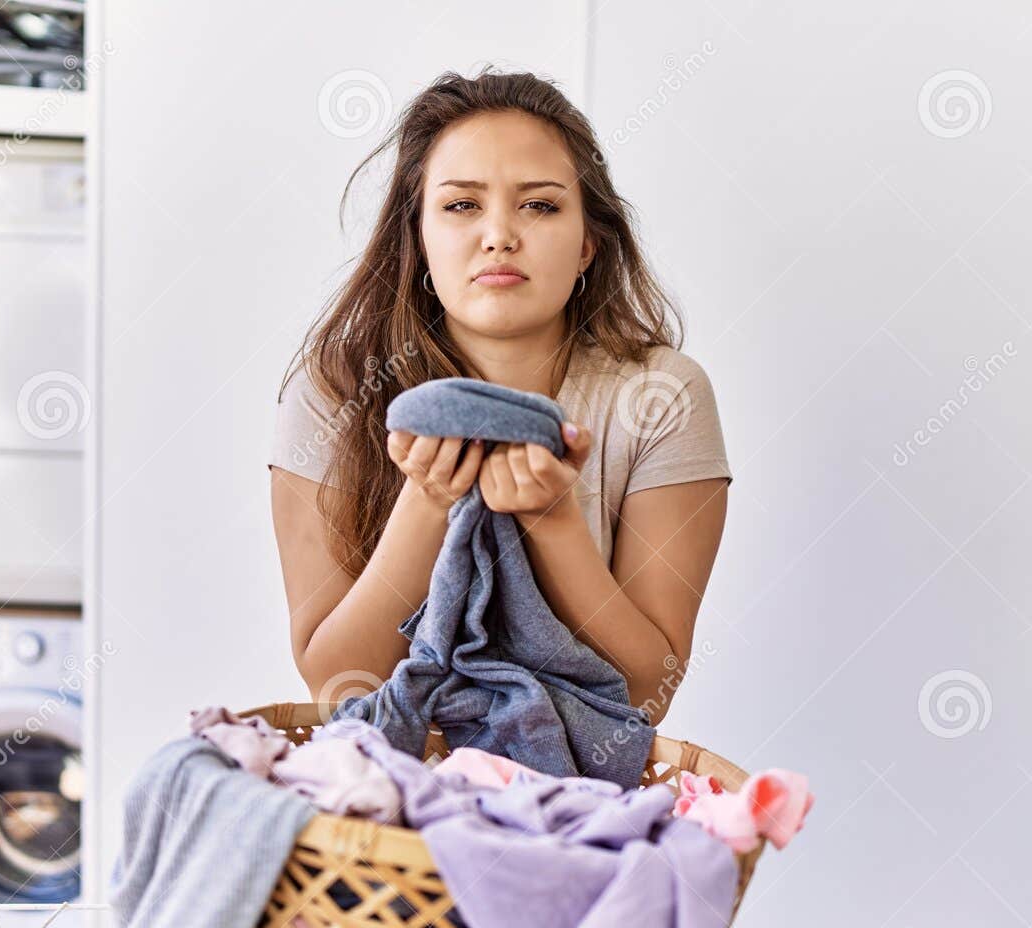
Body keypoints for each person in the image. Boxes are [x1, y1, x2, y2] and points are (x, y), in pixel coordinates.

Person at [267, 67, 734, 727]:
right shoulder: (335, 391)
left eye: (540, 204)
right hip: (384, 792)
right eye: (461, 205)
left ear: (587, 245)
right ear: (418, 236)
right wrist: (429, 502)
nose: (499, 235)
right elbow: (342, 680)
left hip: (578, 799)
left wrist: (555, 522)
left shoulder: (662, 397)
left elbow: (644, 694)